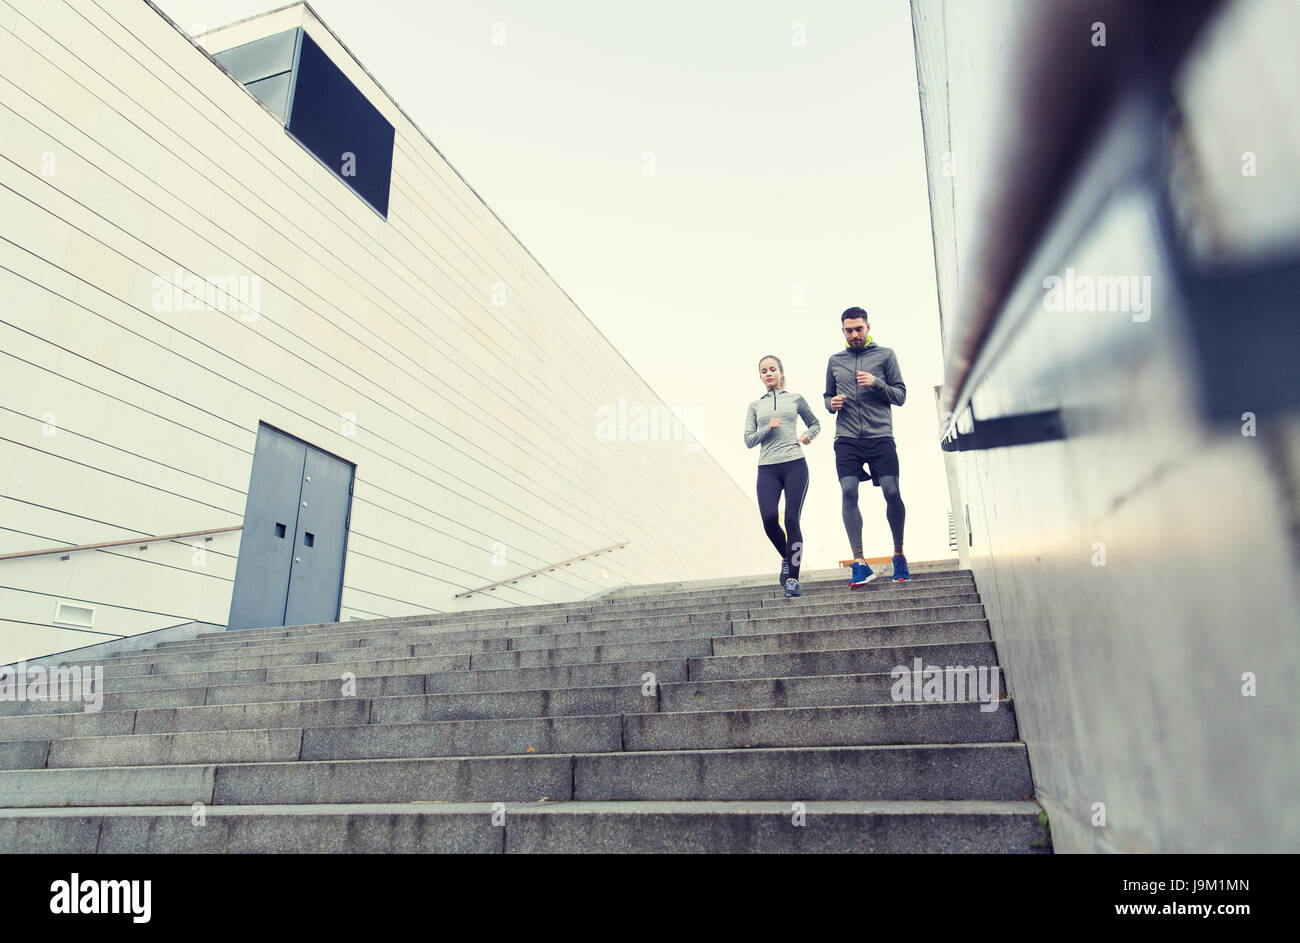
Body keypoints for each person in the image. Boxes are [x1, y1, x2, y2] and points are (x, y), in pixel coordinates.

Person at [823, 306, 910, 587]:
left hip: (880, 435)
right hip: (847, 438)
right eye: (849, 330)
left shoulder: (886, 356)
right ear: (843, 331)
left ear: (868, 327)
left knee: (892, 491)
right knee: (848, 491)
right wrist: (830, 403)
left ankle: (898, 553)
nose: (855, 334)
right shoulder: (835, 360)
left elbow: (900, 395)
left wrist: (876, 383)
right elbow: (827, 396)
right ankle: (859, 562)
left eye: (859, 329)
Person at [743, 355, 820, 597]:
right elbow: (748, 440)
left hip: (795, 464)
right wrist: (768, 428)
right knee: (768, 519)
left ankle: (793, 579)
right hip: (767, 467)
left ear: (781, 373)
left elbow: (816, 424)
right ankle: (787, 557)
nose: (768, 373)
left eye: (772, 369)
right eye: (764, 371)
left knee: (792, 520)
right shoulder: (755, 406)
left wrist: (809, 435)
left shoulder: (796, 399)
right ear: (760, 376)